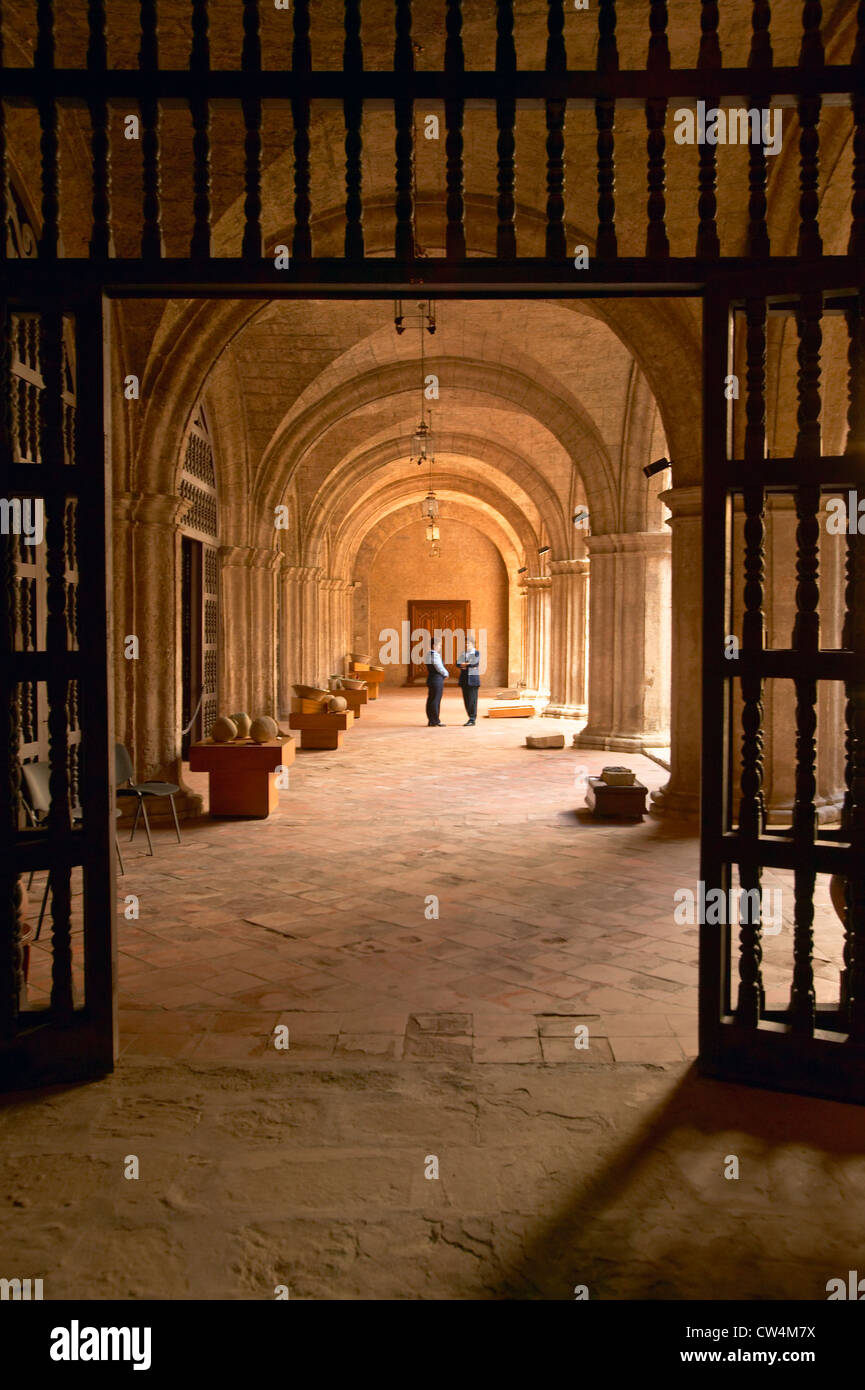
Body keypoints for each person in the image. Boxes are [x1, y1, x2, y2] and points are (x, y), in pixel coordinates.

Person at [425, 636, 449, 726]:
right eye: (439, 645)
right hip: (436, 679)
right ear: (434, 645)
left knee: (431, 699)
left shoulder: (428, 654)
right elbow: (439, 667)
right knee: (435, 700)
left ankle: (431, 720)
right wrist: (446, 673)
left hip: (431, 679)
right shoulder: (434, 655)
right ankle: (435, 720)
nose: (440, 647)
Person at [457, 637, 481, 725]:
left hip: (473, 680)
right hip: (464, 680)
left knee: (472, 700)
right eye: (465, 643)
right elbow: (458, 663)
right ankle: (470, 717)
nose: (466, 645)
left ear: (473, 644)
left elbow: (475, 663)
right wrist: (467, 664)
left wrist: (465, 664)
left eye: (468, 643)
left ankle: (472, 719)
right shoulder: (463, 653)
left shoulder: (476, 653)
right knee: (466, 700)